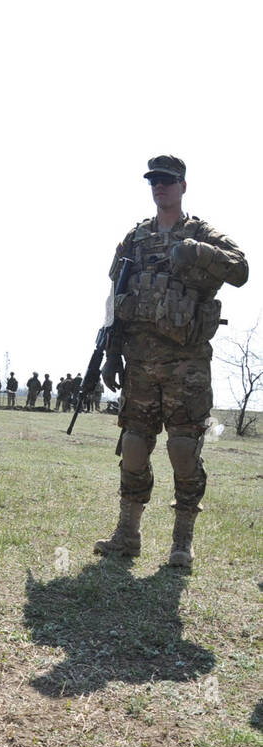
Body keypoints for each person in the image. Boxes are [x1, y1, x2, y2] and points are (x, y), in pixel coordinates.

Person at [95, 155, 247, 566]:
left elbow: (241, 269)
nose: (159, 187)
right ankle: (127, 536)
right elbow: (115, 297)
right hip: (140, 363)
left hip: (186, 363)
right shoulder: (134, 239)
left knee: (182, 448)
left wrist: (195, 251)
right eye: (154, 182)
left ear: (182, 186)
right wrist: (110, 353)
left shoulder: (201, 232)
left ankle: (182, 541)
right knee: (133, 447)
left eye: (167, 181)